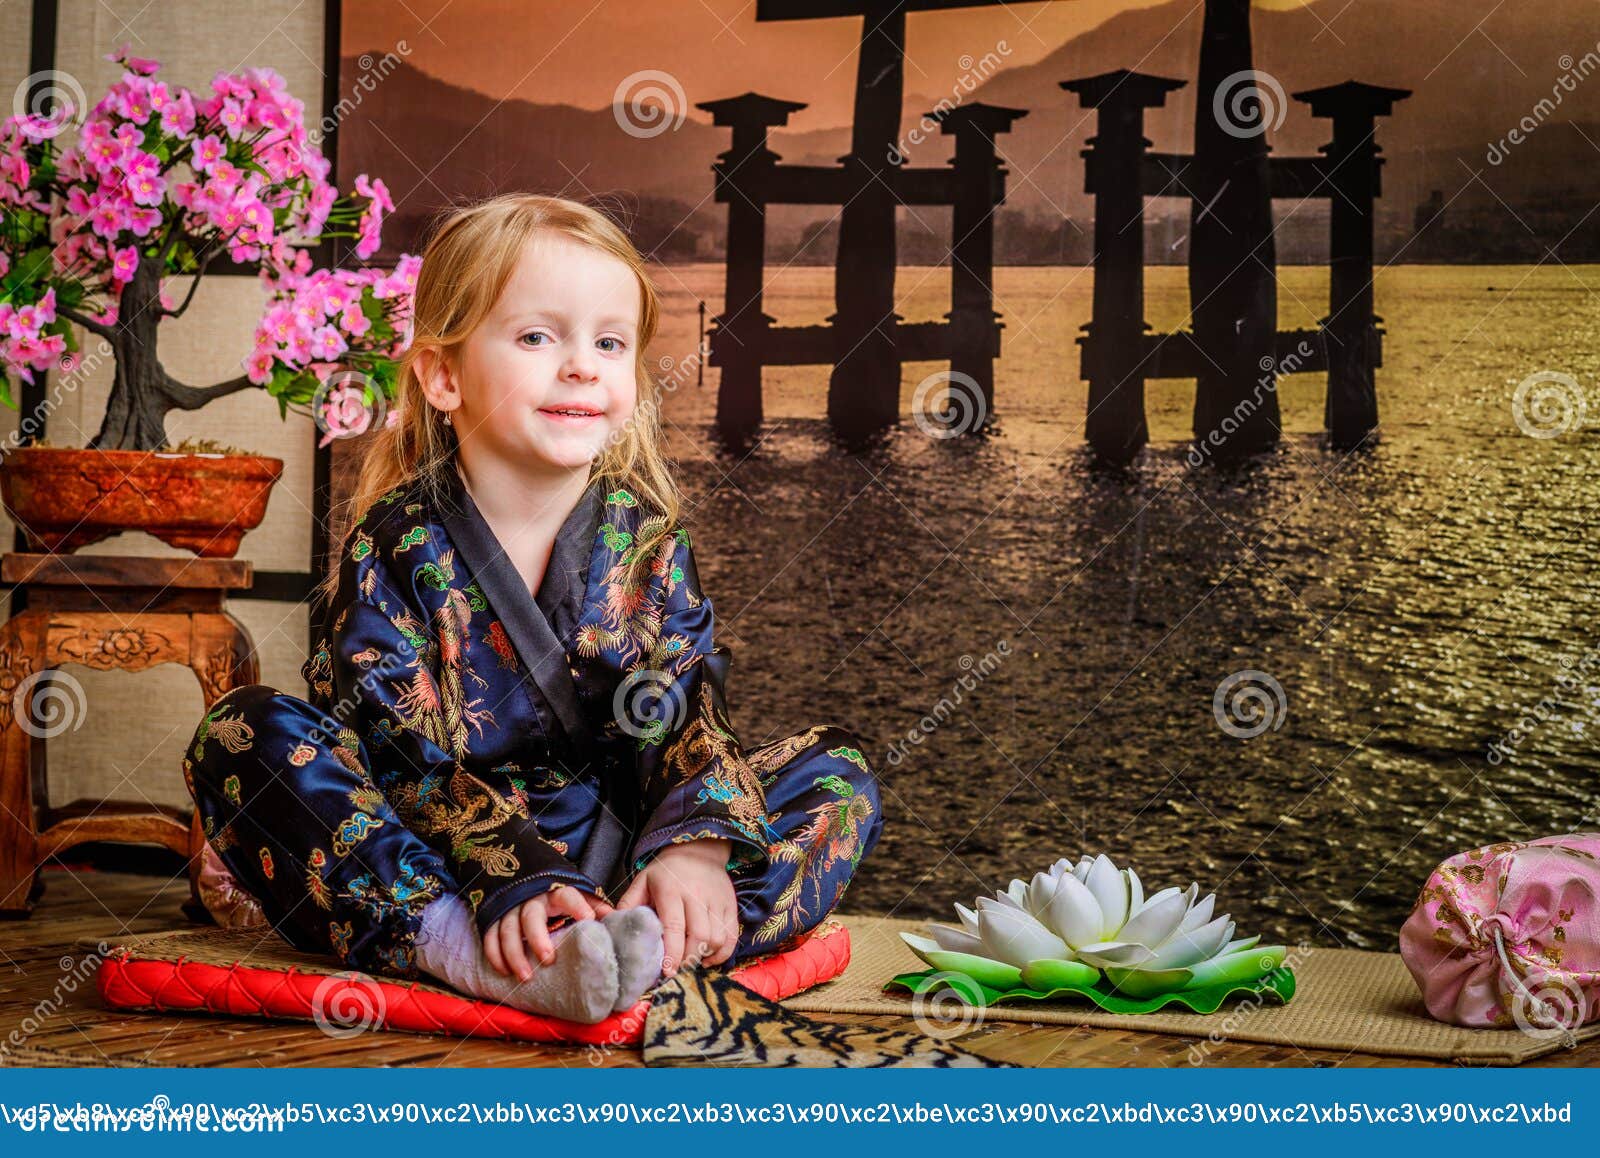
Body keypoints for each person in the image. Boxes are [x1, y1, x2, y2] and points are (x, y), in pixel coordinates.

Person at [184, 193, 884, 1024]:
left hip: (625, 858)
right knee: (243, 733)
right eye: (537, 337)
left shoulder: (647, 540)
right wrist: (506, 872)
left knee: (839, 774)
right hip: (445, 858)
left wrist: (694, 847)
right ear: (445, 376)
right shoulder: (396, 540)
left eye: (609, 342)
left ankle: (651, 940)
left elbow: (688, 710)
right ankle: (462, 949)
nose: (583, 364)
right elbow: (395, 751)